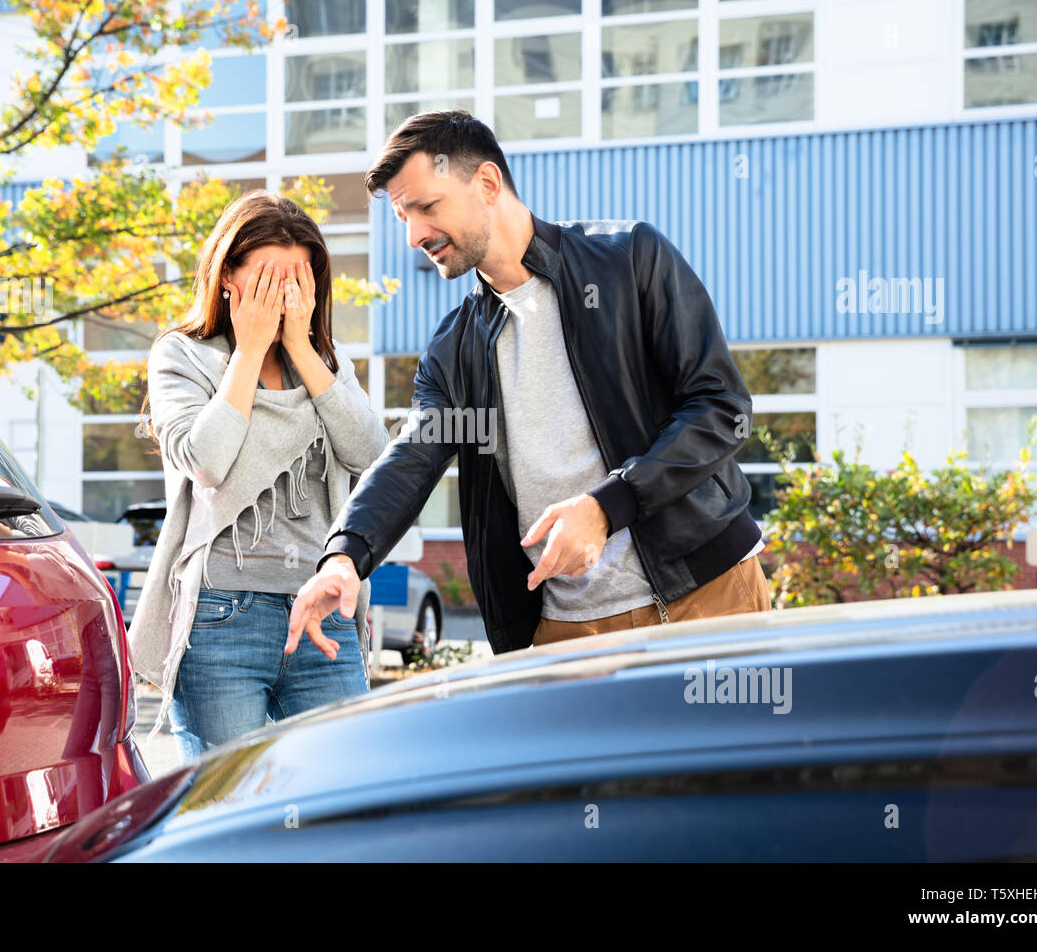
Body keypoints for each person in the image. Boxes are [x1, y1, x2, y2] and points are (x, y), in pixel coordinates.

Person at [289, 110, 770, 655]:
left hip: (706, 595)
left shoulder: (628, 260)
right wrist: (346, 554)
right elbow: (411, 459)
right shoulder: (456, 349)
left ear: (487, 183)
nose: (414, 234)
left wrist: (606, 505)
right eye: (403, 216)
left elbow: (718, 408)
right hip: (566, 633)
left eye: (425, 207)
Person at [129, 191, 388, 761]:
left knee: (346, 794)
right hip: (222, 618)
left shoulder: (325, 360)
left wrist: (300, 345)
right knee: (231, 809)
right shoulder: (185, 355)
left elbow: (369, 451)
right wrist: (248, 353)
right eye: (269, 278)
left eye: (299, 279)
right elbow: (206, 461)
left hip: (321, 611)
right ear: (227, 276)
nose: (284, 295)